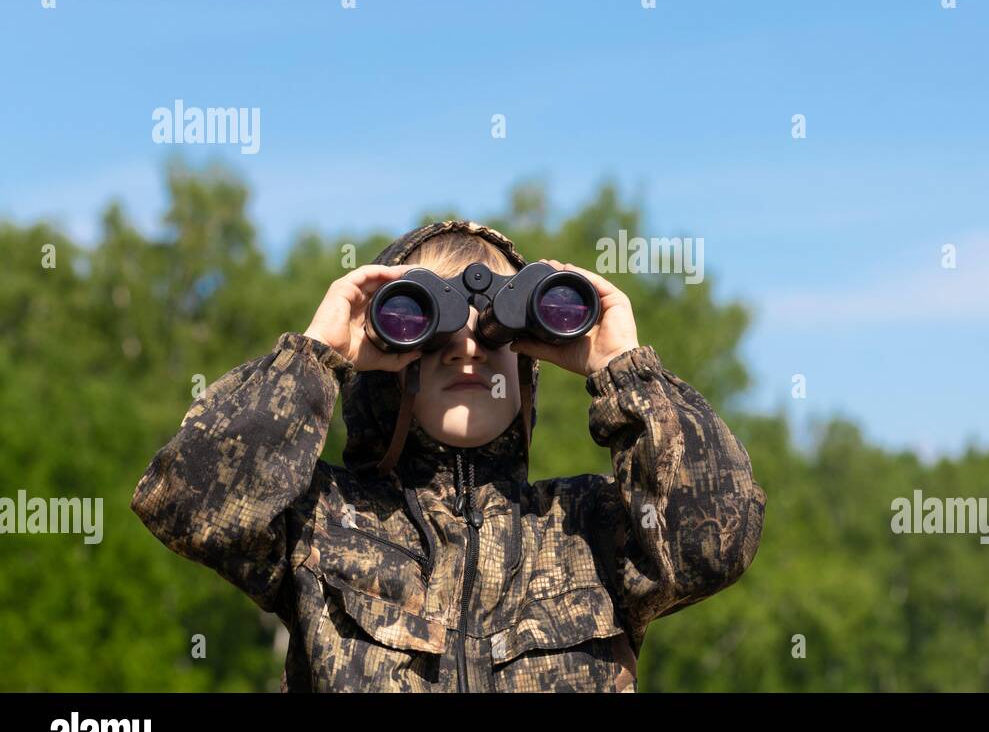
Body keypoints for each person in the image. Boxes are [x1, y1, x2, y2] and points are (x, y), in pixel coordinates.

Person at [130, 219, 766, 692]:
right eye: (430, 325)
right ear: (389, 358)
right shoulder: (325, 522)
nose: (467, 350)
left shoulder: (588, 528)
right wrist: (317, 354)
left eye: (494, 331)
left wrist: (622, 368)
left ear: (529, 365)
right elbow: (189, 504)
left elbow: (715, 540)